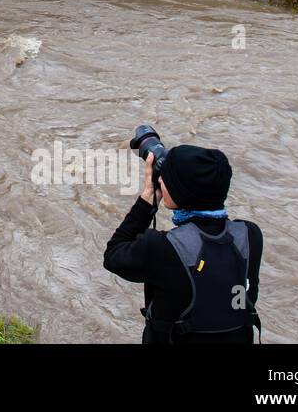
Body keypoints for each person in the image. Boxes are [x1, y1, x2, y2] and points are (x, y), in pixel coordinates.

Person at [104, 144, 262, 343]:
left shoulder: (163, 247)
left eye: (166, 178)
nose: (160, 179)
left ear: (181, 193)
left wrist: (147, 198)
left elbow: (113, 255)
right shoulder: (250, 235)